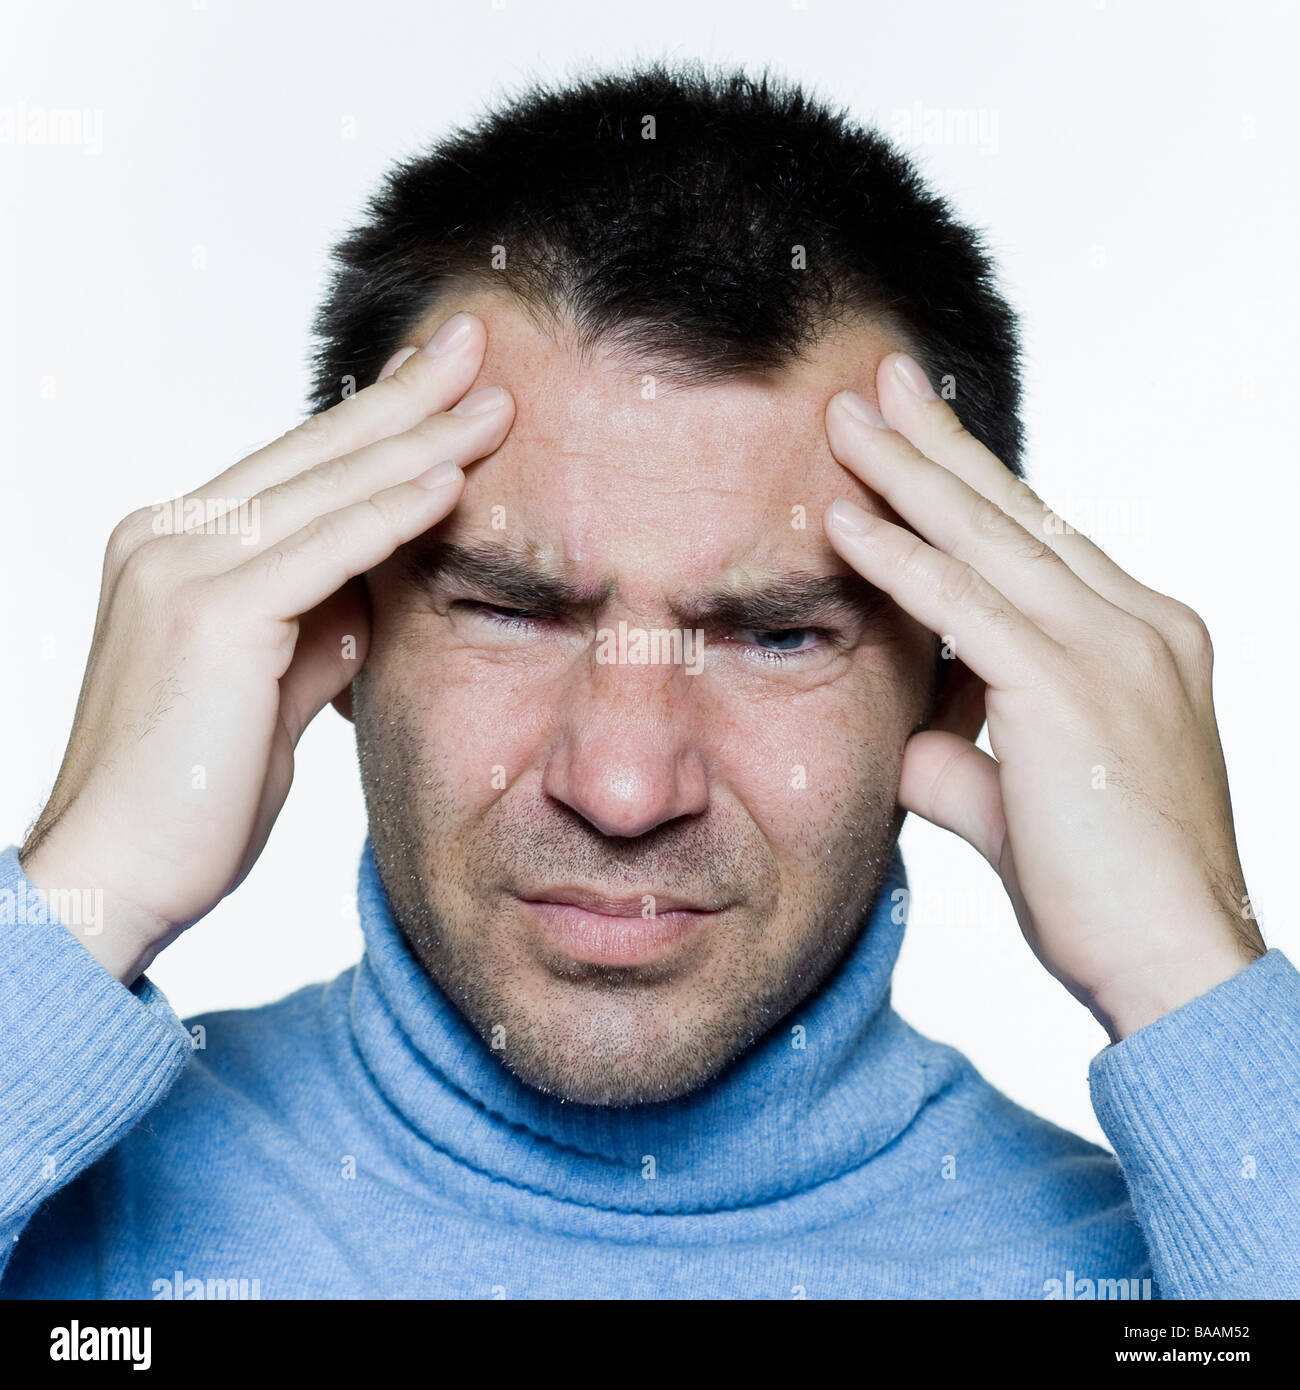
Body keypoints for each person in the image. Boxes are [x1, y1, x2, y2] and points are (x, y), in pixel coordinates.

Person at [3, 65, 1296, 1301]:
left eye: (778, 635)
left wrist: (1193, 977)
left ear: (960, 681)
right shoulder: (64, 1208)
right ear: (332, 626)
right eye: (509, 608)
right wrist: (74, 902)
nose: (624, 788)